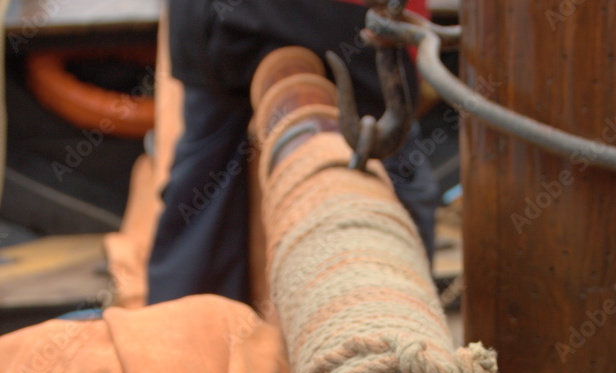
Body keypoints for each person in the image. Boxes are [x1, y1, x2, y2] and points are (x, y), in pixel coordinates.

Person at [147, 0, 438, 305]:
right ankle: (399, 309)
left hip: (201, 19)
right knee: (400, 176)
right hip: (327, 15)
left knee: (203, 189)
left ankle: (178, 321)